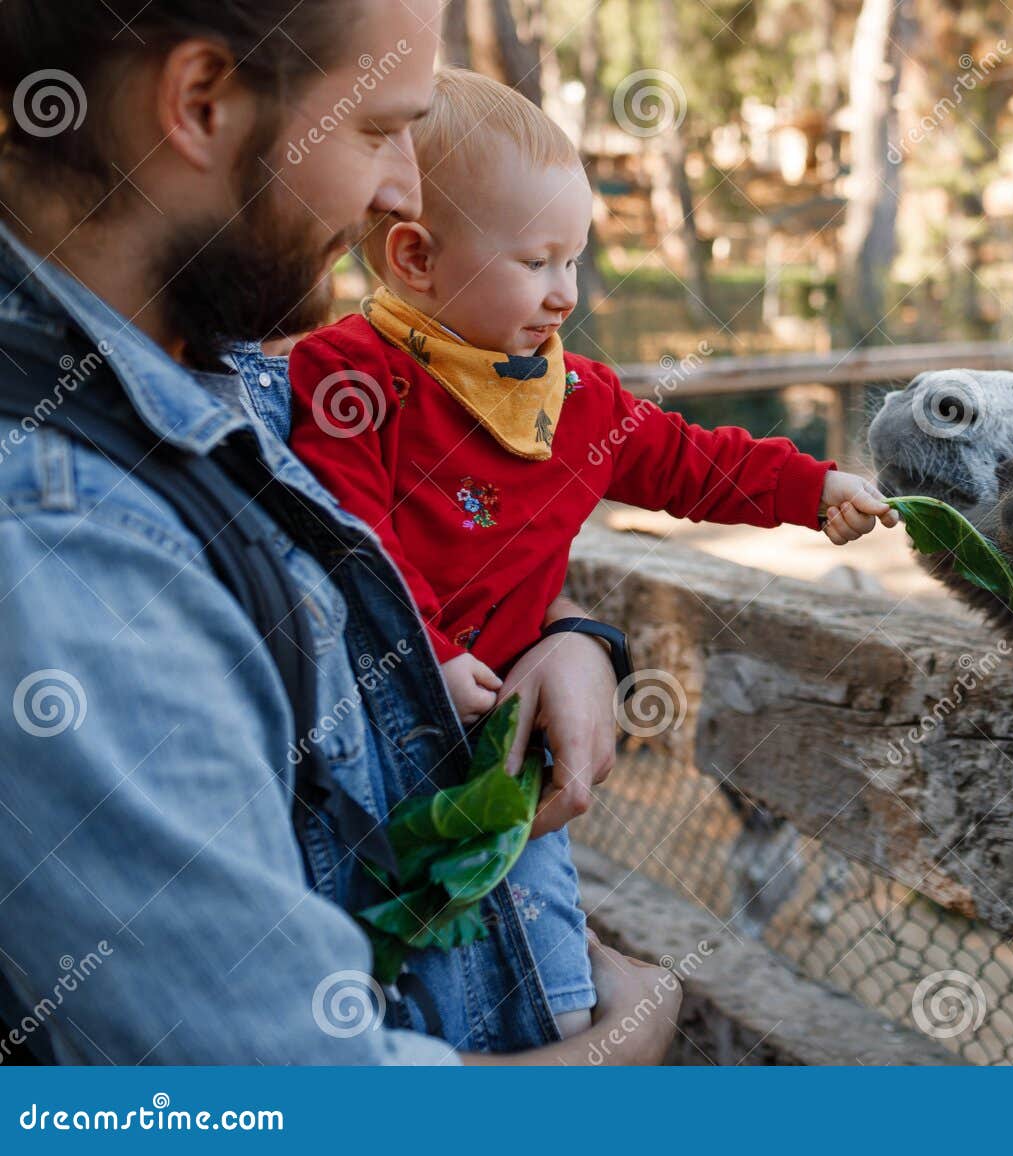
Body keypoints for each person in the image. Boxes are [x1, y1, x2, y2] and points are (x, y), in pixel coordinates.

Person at [0, 0, 677, 1064]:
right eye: (375, 131)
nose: (403, 188)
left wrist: (570, 633)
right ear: (202, 103)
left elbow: (391, 546)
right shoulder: (64, 541)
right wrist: (635, 1033)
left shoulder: (215, 387)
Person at [282, 69, 898, 1039]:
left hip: (508, 746)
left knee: (539, 931)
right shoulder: (348, 377)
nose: (566, 293)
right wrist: (426, 652)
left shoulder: (576, 402)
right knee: (384, 946)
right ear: (415, 258)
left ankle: (564, 1025)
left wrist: (810, 489)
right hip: (371, 740)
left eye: (574, 260)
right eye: (537, 263)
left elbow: (689, 461)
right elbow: (345, 530)